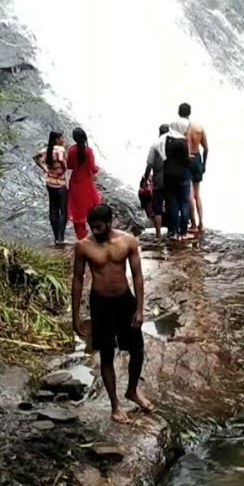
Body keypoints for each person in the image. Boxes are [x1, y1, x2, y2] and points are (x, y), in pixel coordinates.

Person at [71, 204, 153, 424]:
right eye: (92, 227)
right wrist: (75, 316)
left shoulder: (127, 241)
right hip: (101, 303)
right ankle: (115, 405)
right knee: (106, 354)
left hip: (124, 300)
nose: (94, 231)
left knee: (137, 350)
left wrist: (139, 308)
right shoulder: (83, 246)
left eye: (99, 227)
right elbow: (77, 279)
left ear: (109, 223)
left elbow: (137, 275)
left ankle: (132, 391)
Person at [66, 127, 102, 241]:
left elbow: (70, 166)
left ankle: (82, 238)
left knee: (78, 212)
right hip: (87, 183)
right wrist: (97, 169)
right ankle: (97, 233)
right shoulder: (89, 151)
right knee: (93, 208)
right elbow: (93, 168)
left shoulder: (71, 151)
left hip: (76, 184)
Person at [177, 103, 209, 234]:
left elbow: (184, 147)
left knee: (189, 195)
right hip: (198, 159)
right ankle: (202, 223)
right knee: (197, 195)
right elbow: (206, 148)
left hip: (188, 160)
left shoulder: (184, 128)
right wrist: (204, 164)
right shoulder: (199, 127)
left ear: (179, 113)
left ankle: (194, 224)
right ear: (189, 112)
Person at [34, 129, 70, 244]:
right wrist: (64, 169)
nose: (63, 140)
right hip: (61, 184)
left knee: (53, 209)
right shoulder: (60, 150)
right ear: (56, 140)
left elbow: (35, 158)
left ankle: (56, 237)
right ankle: (61, 237)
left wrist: (44, 168)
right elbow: (63, 163)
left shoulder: (45, 151)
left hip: (50, 183)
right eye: (61, 138)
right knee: (63, 211)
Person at [162, 124, 193, 241]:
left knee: (173, 205)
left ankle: (173, 233)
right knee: (184, 204)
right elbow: (187, 160)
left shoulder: (167, 142)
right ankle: (183, 233)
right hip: (183, 176)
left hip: (169, 176)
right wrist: (190, 159)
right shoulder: (183, 142)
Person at [141, 123, 170, 238]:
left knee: (157, 207)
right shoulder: (174, 145)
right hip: (172, 179)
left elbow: (149, 165)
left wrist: (146, 178)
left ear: (159, 133)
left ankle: (158, 233)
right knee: (171, 204)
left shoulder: (155, 146)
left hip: (158, 180)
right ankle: (173, 231)